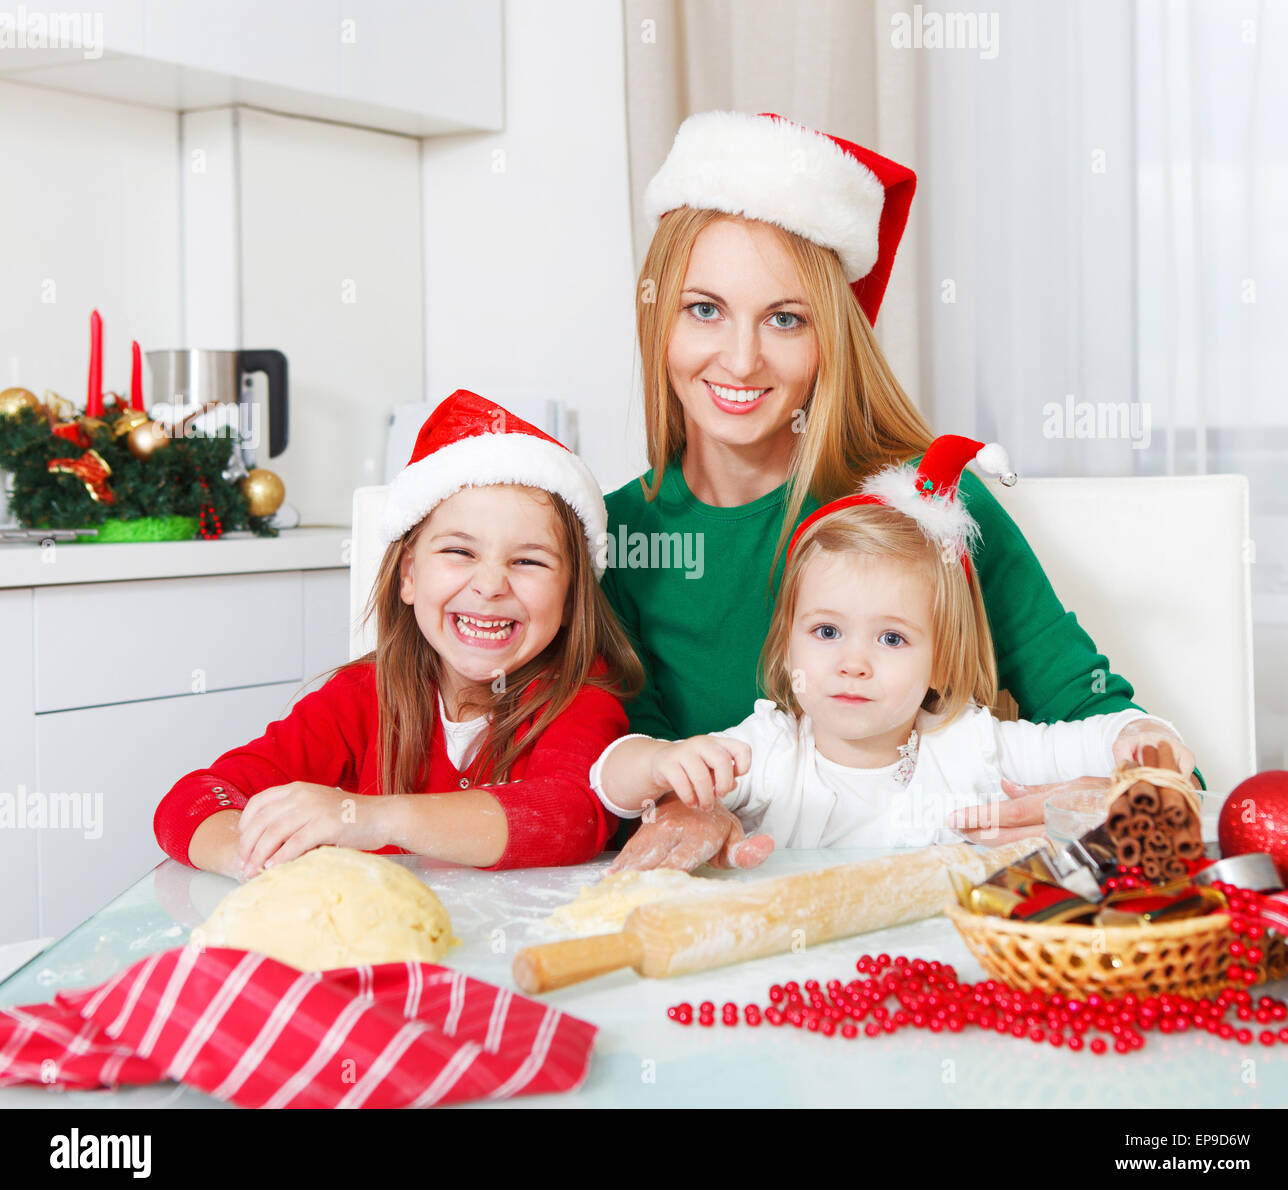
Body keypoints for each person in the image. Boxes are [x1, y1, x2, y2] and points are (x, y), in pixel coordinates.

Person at [601, 111, 1189, 871]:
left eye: (785, 319)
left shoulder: (927, 508)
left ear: (832, 341)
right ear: (658, 320)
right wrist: (680, 810)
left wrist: (1096, 807)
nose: (740, 359)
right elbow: (614, 772)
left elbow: (1144, 754)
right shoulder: (611, 536)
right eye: (704, 309)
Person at [593, 437, 1194, 849]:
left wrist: (1142, 739)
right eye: (826, 632)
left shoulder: (974, 746)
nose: (854, 663)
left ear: (942, 663)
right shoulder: (766, 754)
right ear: (786, 651)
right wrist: (654, 762)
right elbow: (612, 784)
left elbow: (1108, 739)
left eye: (892, 638)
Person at [154, 390, 642, 879]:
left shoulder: (581, 698)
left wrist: (372, 818)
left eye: (528, 561)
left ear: (570, 599)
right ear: (408, 576)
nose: (491, 585)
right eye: (460, 552)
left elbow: (569, 816)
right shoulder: (360, 697)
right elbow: (195, 798)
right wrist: (255, 861)